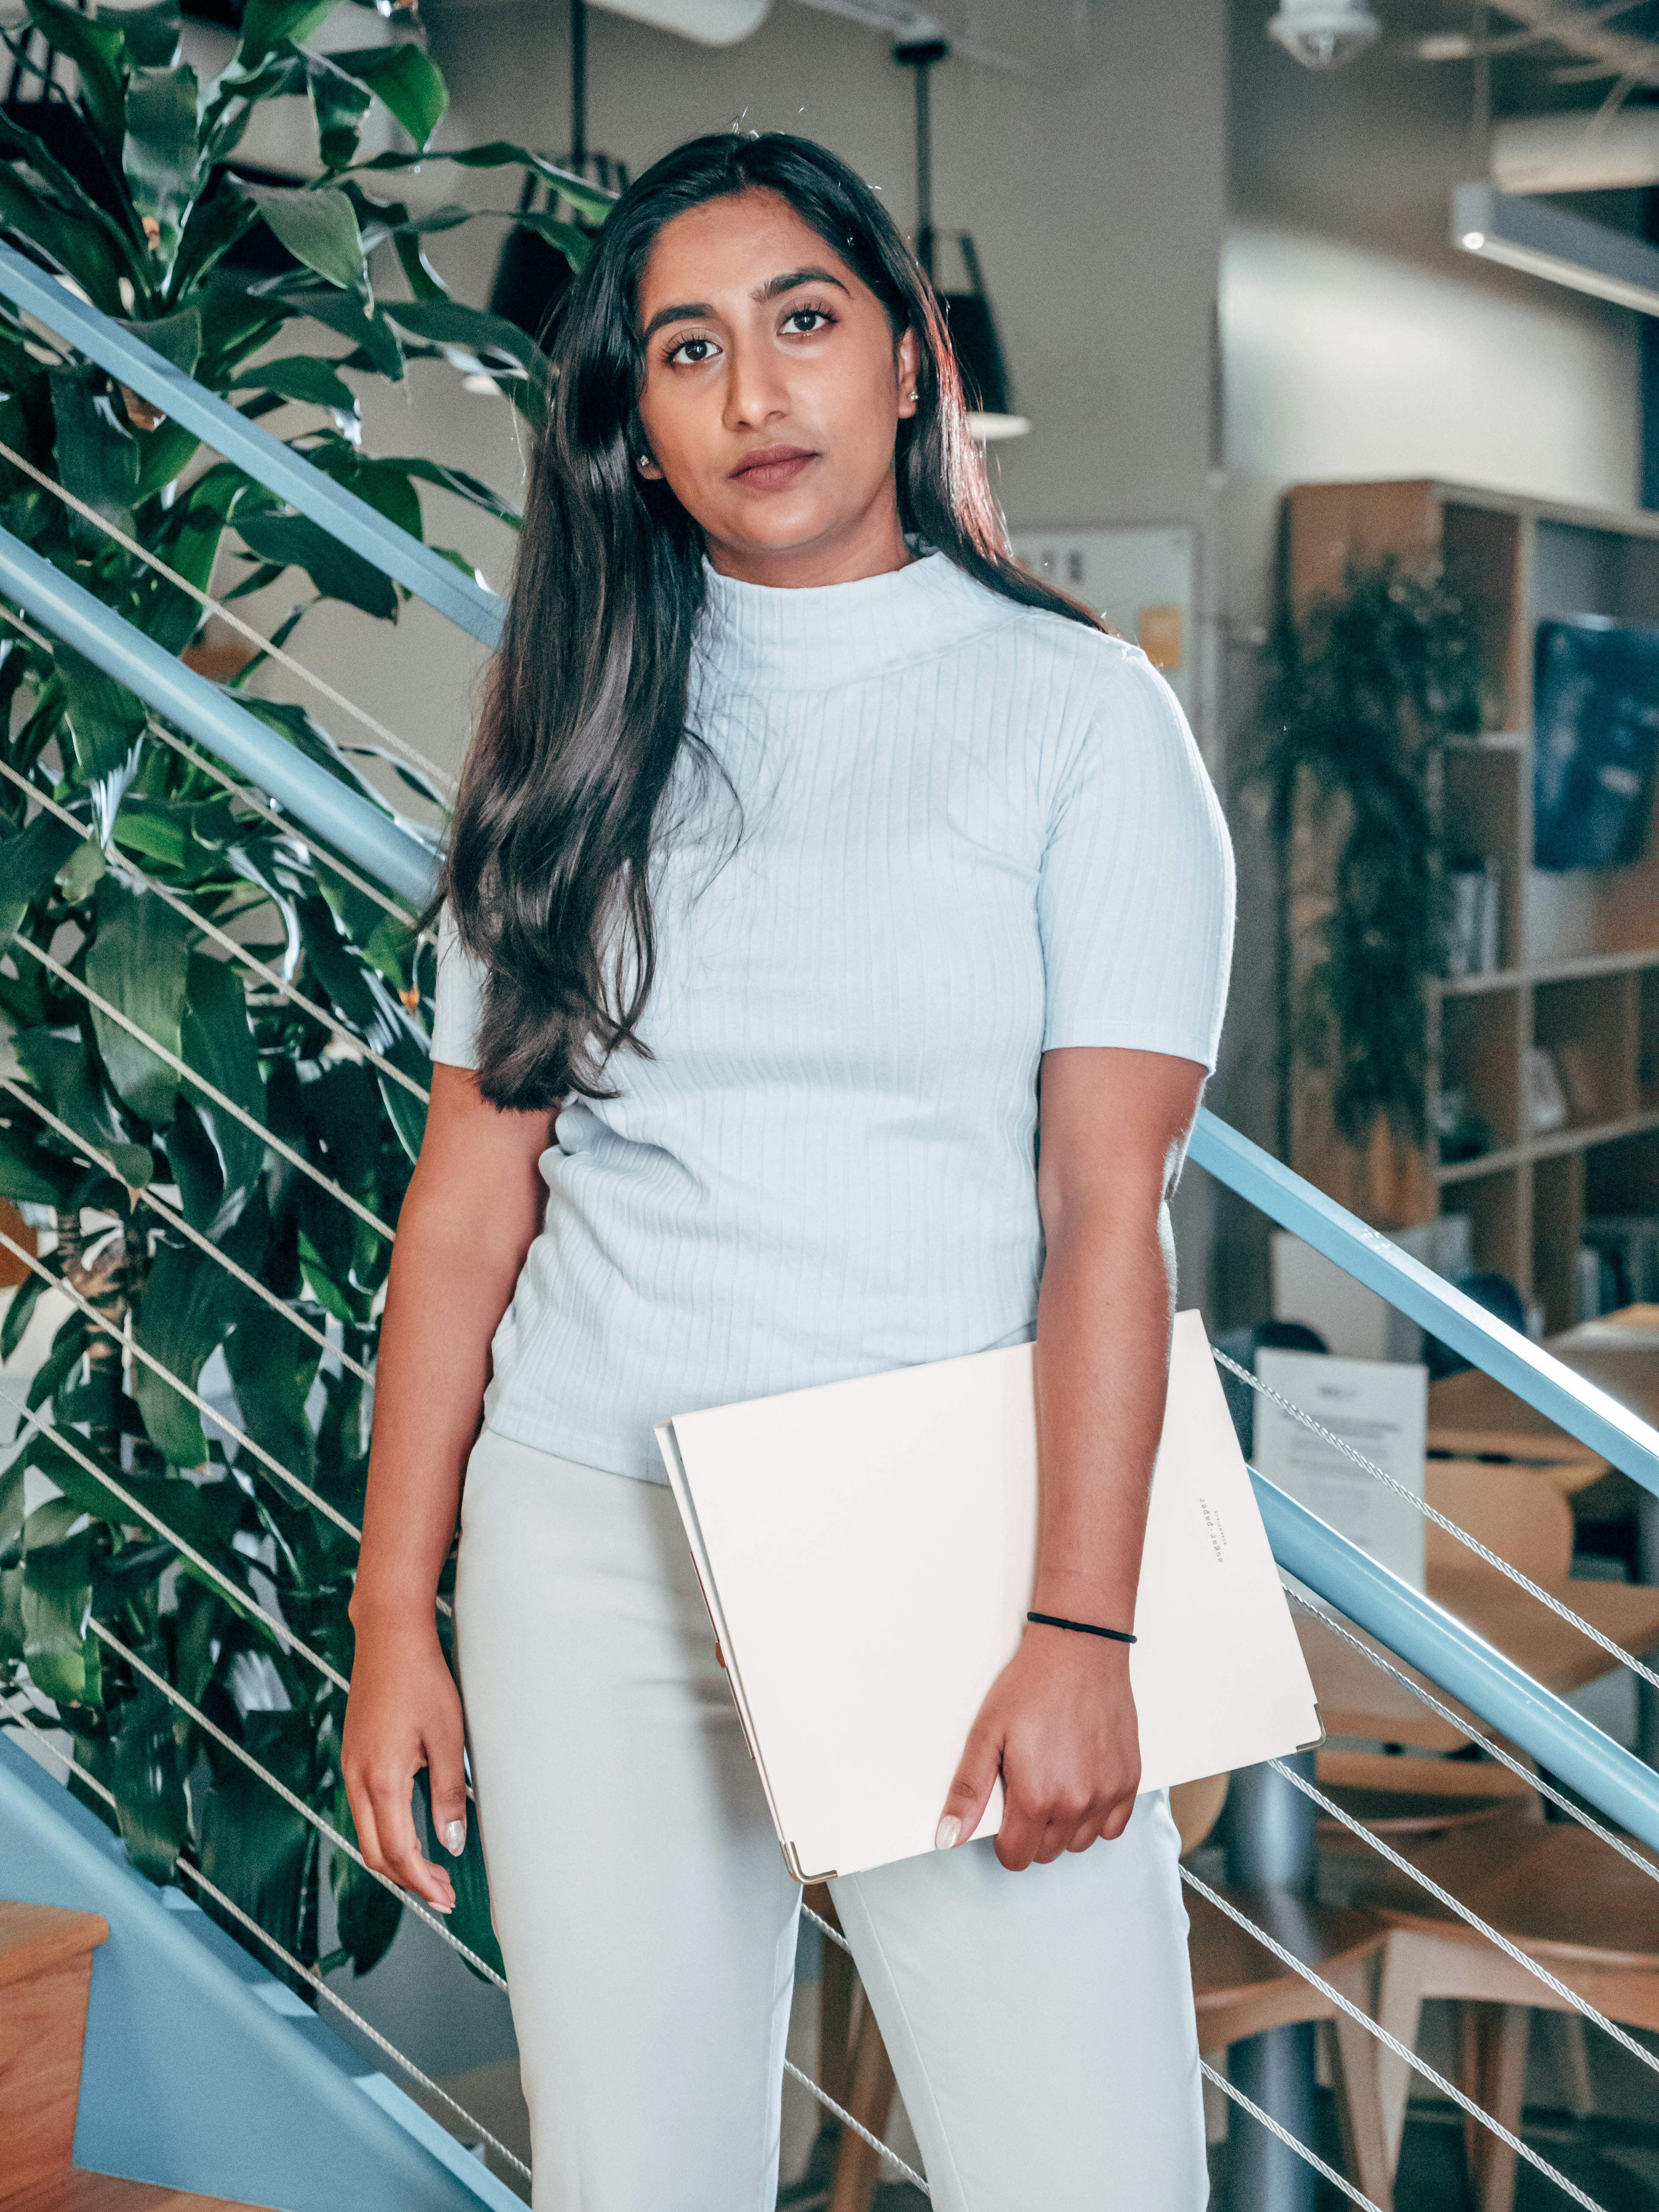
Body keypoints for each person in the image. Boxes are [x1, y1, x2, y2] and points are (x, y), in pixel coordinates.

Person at [342, 129, 1234, 2212]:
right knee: (631, 2177)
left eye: (804, 321)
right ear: (633, 424)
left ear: (909, 360)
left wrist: (1083, 1631)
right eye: (687, 349)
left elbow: (1109, 1214)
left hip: (949, 1529)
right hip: (584, 1524)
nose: (755, 391)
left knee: (1086, 2179)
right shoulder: (570, 732)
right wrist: (397, 1611)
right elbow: (468, 1206)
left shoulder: (1082, 718)